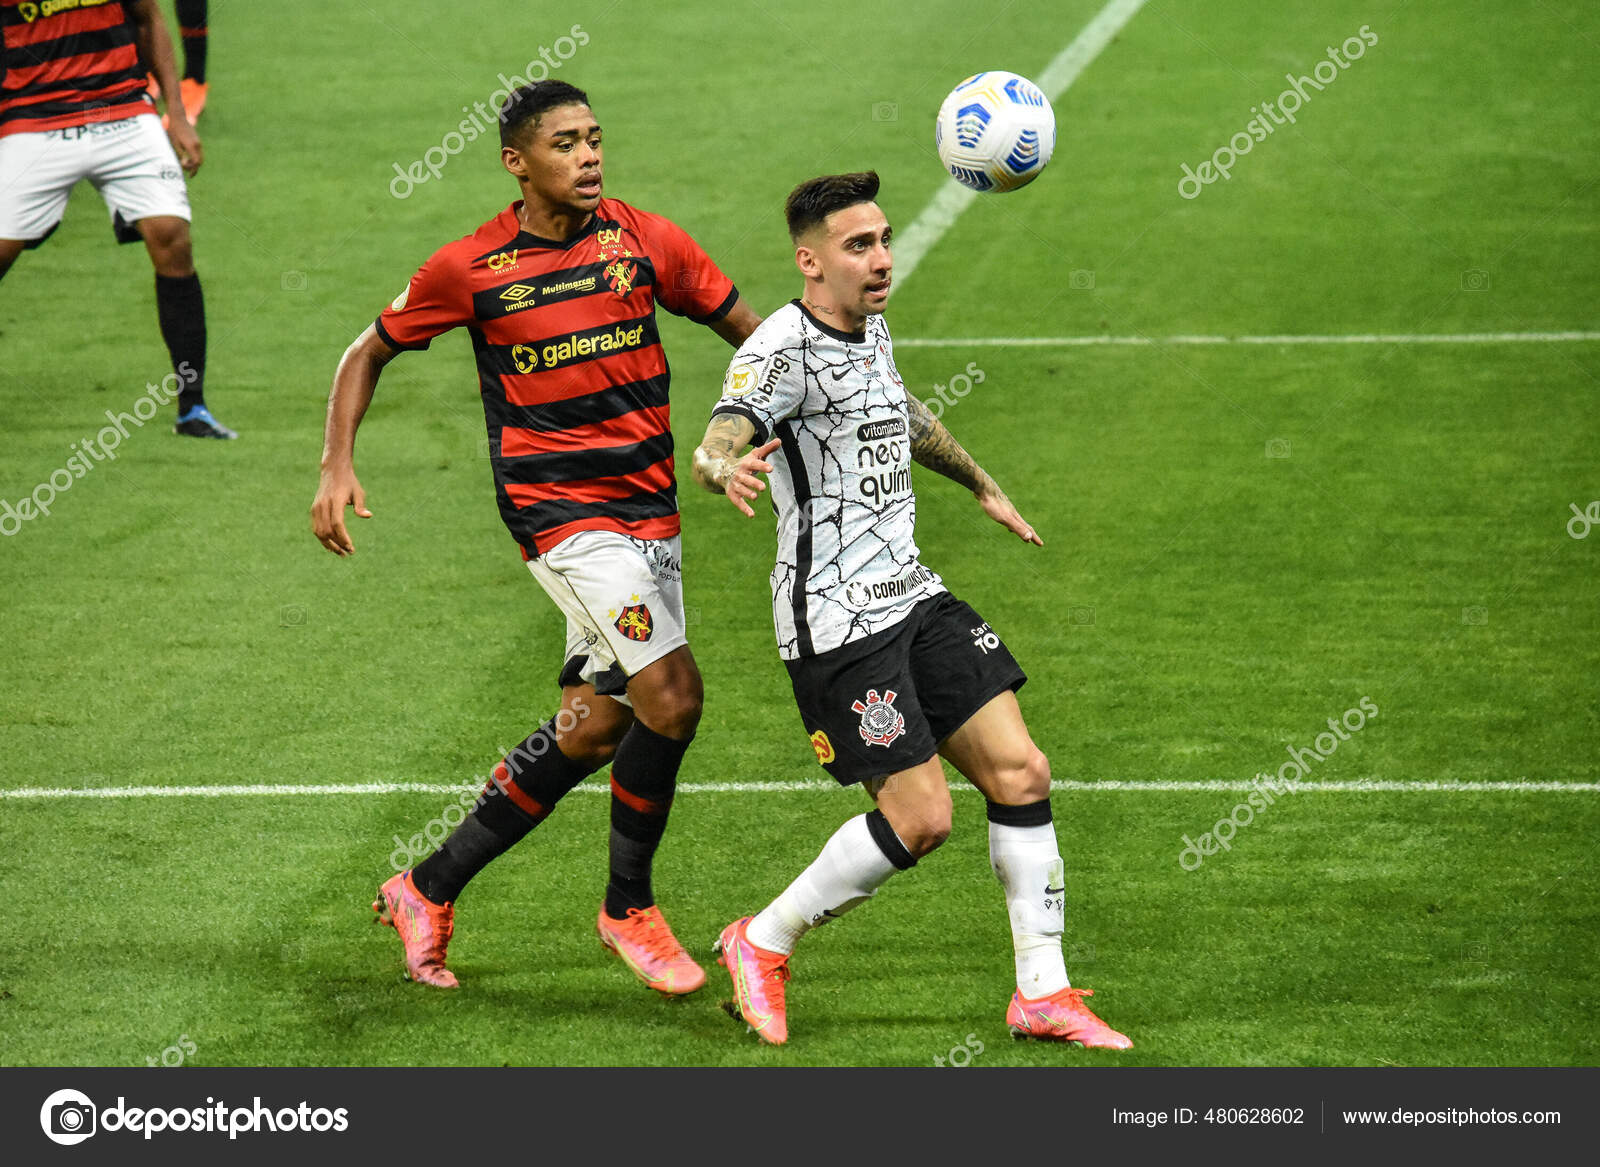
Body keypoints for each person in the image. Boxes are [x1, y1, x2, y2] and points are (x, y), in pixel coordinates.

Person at [311, 79, 762, 997]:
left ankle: (424, 886)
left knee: (594, 725)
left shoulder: (646, 240)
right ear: (517, 162)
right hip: (560, 513)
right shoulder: (470, 268)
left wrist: (766, 421)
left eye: (595, 138)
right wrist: (335, 463)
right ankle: (627, 908)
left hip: (650, 509)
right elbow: (369, 348)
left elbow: (751, 339)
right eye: (565, 143)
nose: (590, 156)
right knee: (671, 697)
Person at [691, 171, 1131, 1049]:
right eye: (860, 246)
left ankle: (1041, 992)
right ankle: (761, 940)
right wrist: (718, 467)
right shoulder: (781, 347)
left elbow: (898, 409)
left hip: (914, 593)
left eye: (885, 239)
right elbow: (723, 428)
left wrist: (980, 481)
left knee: (1022, 772)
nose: (882, 258)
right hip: (837, 623)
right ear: (810, 261)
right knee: (923, 819)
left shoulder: (868, 326)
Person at [0, 0, 235, 438]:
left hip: (123, 111)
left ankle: (193, 408)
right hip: (34, 117)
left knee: (172, 236)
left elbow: (149, 20)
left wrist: (177, 116)